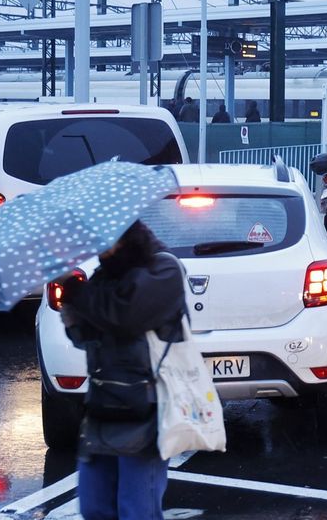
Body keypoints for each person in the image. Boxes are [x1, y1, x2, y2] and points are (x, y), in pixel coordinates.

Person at [59, 221, 185, 520]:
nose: (98, 249)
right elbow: (86, 337)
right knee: (94, 508)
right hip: (102, 406)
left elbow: (126, 316)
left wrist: (77, 290)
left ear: (125, 236)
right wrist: (71, 311)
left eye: (103, 240)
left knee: (136, 511)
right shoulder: (104, 276)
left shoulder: (164, 270)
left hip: (145, 408)